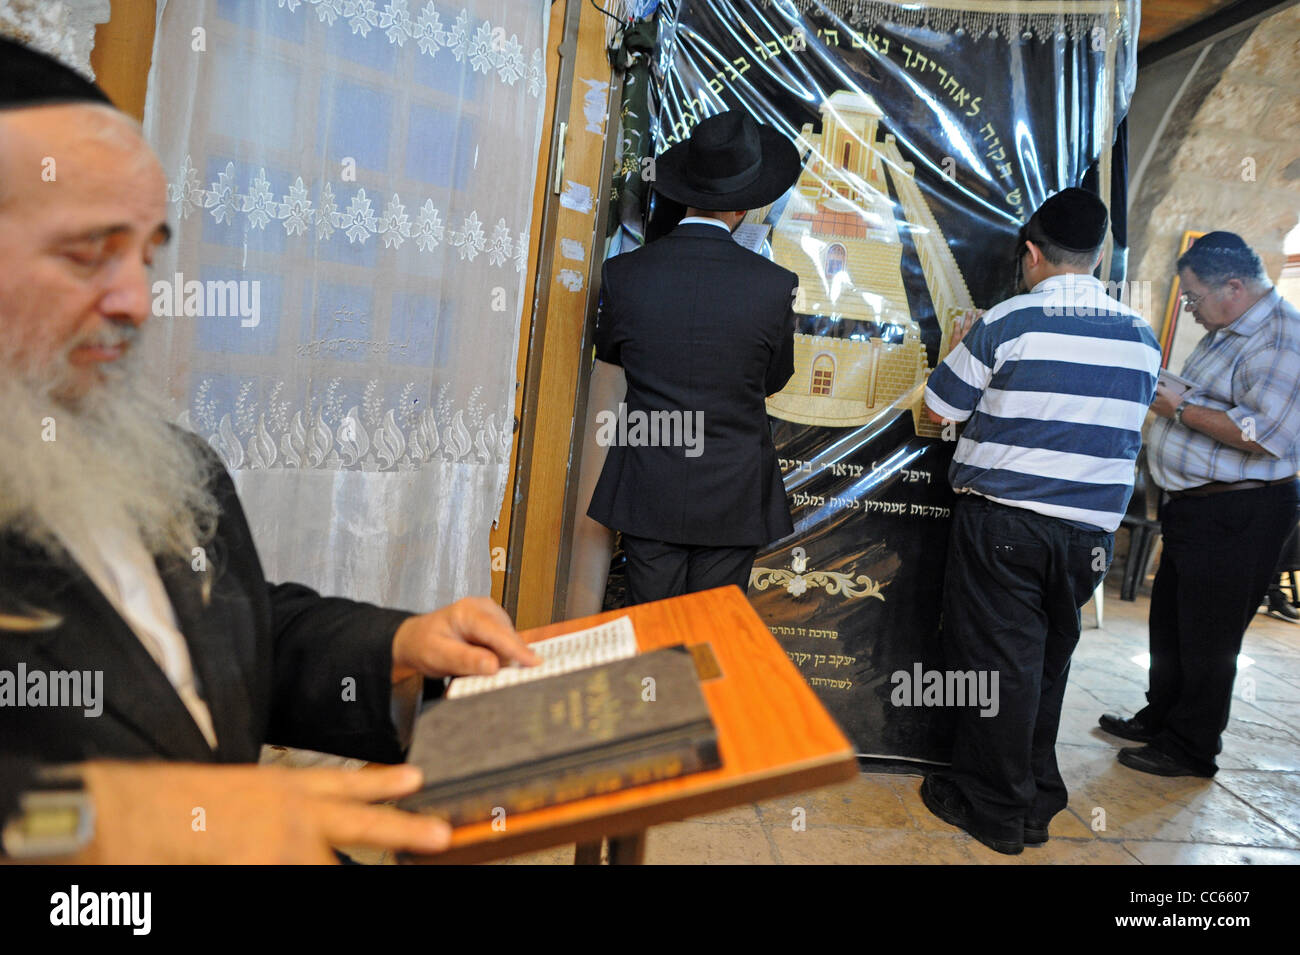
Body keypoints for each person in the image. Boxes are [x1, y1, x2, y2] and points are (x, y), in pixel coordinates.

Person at [0, 37, 539, 863]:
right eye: (87, 254)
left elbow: (228, 643)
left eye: (148, 254)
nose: (139, 301)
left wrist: (395, 648)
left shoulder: (164, 462)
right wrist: (123, 822)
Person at [920, 188, 1161, 854]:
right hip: (1088, 537)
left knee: (998, 667)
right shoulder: (1142, 337)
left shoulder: (1011, 321)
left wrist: (965, 344)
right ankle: (1034, 798)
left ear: (1031, 252)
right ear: (1100, 253)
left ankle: (993, 809)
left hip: (1006, 524)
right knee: (1046, 665)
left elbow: (941, 405)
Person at [1099, 232, 1300, 777]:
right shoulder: (1226, 328)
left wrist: (1180, 409)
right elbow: (1215, 399)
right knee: (1171, 624)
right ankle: (1160, 717)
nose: (1189, 307)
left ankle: (1192, 748)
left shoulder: (1280, 338)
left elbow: (1264, 432)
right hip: (1197, 506)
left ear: (1233, 286)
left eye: (1193, 297)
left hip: (1241, 512)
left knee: (1210, 636)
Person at [585, 110, 801, 605]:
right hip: (732, 490)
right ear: (743, 208)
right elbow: (773, 378)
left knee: (653, 630)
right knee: (714, 637)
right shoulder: (774, 287)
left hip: (649, 484)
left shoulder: (624, 274)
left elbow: (613, 354)